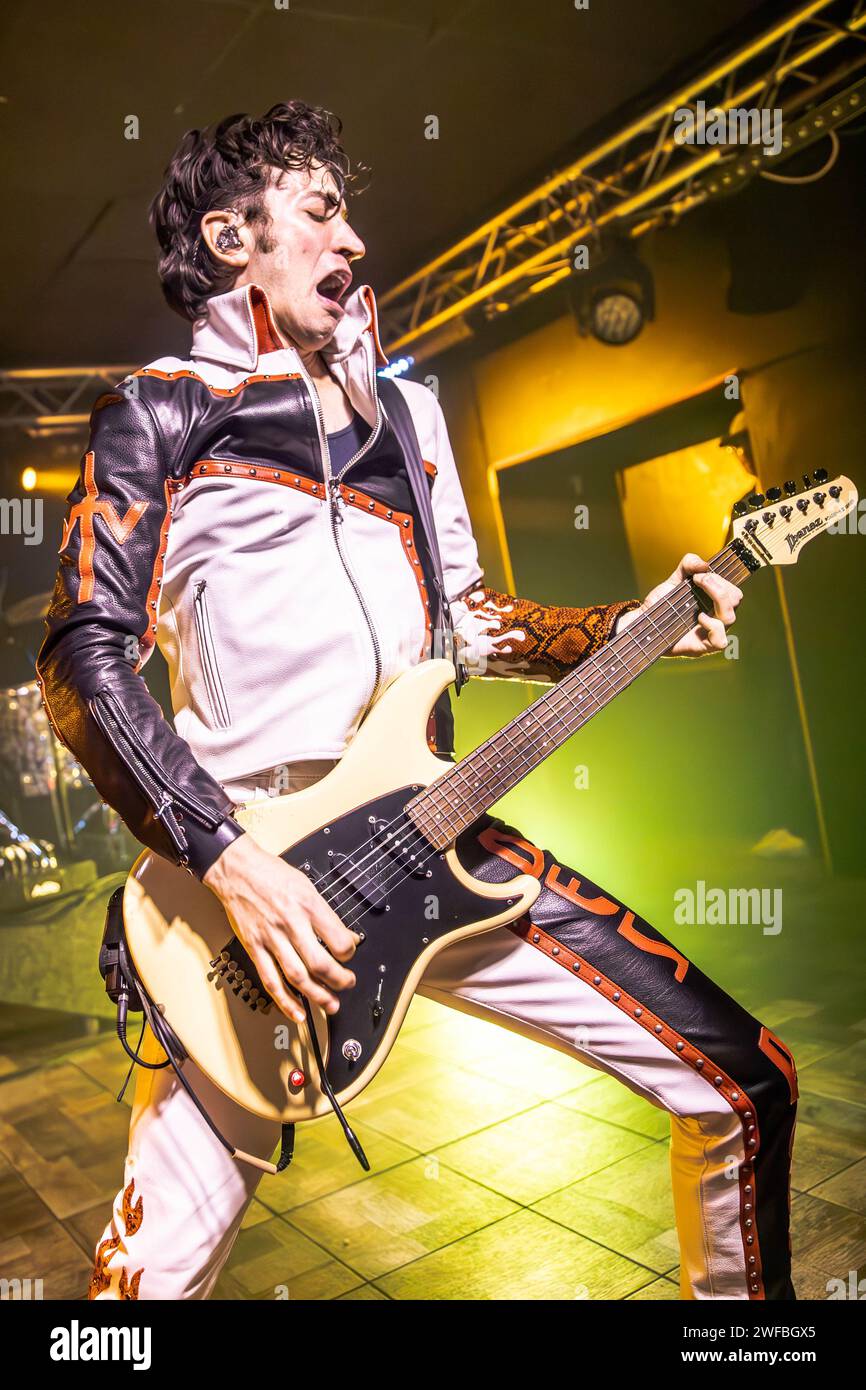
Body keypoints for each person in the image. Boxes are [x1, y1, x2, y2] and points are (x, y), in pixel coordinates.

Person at [36, 101, 797, 1301]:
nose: (354, 243)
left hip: (429, 832)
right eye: (322, 212)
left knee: (744, 1082)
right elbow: (82, 660)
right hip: (251, 892)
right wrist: (230, 858)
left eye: (351, 216)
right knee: (136, 1299)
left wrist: (634, 626)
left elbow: (469, 622)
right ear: (234, 238)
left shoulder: (406, 413)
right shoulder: (162, 407)